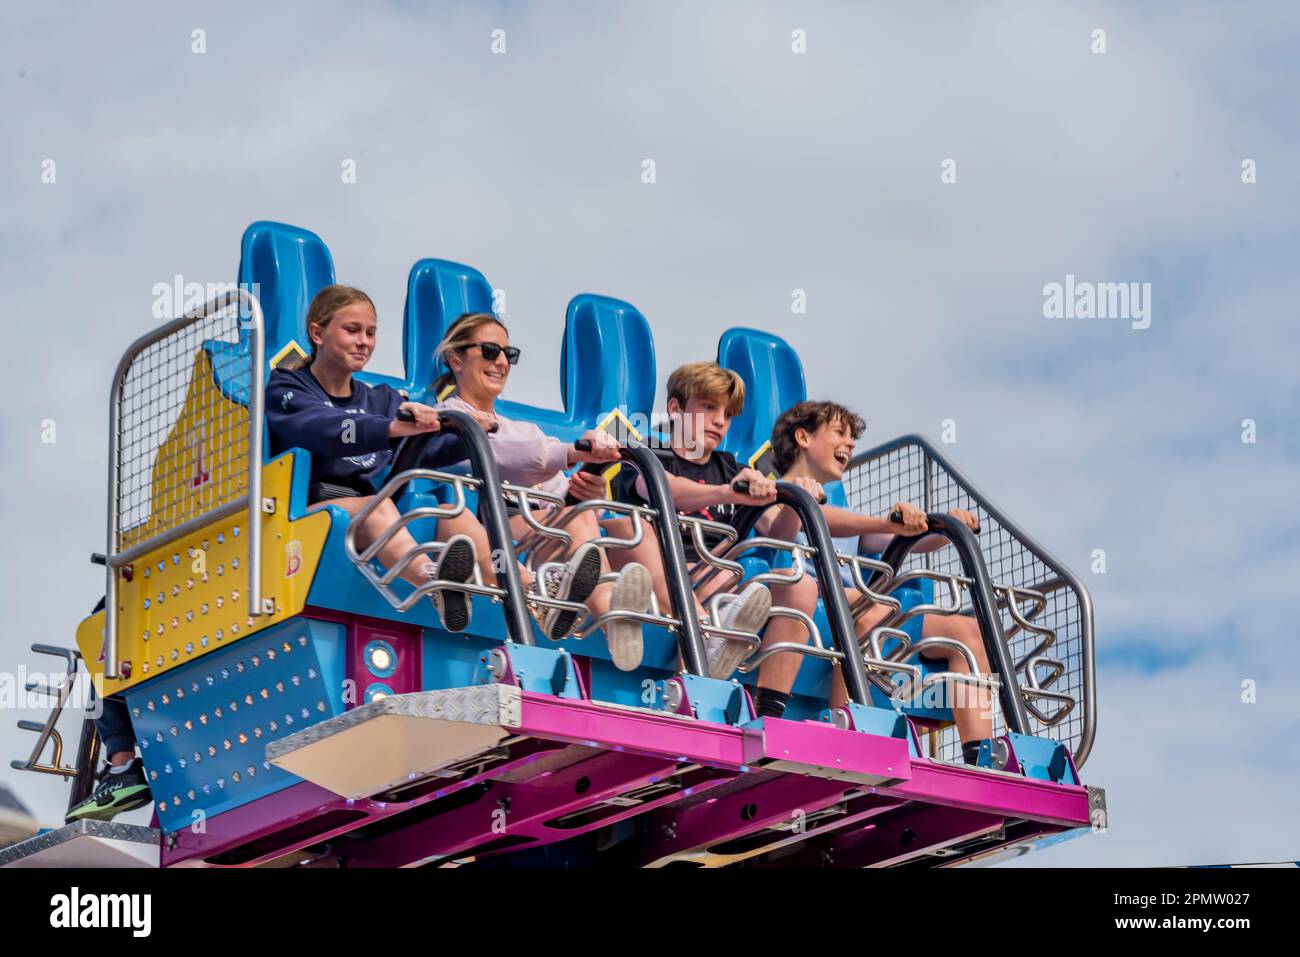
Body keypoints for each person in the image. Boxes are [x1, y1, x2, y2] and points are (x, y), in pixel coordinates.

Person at [762, 400, 994, 761]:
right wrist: (884, 522)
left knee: (969, 632)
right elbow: (786, 527)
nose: (851, 443)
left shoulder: (846, 517)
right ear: (803, 437)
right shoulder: (769, 493)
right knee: (874, 608)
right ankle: (845, 726)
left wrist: (943, 527)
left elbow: (901, 540)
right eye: (840, 432)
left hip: (852, 601)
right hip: (804, 598)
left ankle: (982, 758)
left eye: (852, 437)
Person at [432, 313, 653, 665]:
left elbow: (559, 494)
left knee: (585, 516)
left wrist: (589, 494)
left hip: (528, 531)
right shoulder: (446, 419)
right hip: (483, 528)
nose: (501, 362)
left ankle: (614, 619)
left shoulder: (526, 431)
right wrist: (572, 452)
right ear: (455, 360)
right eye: (489, 350)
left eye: (509, 354)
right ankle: (544, 595)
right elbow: (504, 455)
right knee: (573, 519)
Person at [605, 362, 812, 716]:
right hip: (660, 572)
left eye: (728, 415)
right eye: (709, 408)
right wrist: (727, 493)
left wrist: (794, 501)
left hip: (716, 577)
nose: (720, 421)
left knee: (801, 586)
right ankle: (706, 641)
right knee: (636, 533)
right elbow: (664, 489)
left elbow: (777, 534)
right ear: (675, 409)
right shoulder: (646, 455)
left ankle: (769, 714)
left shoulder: (731, 468)